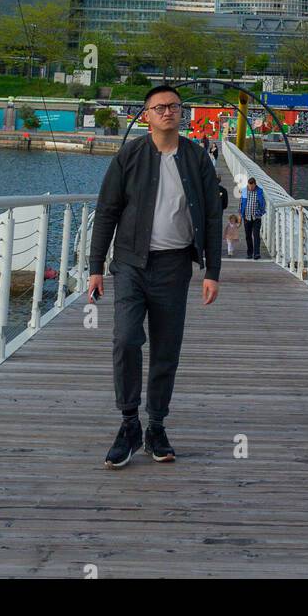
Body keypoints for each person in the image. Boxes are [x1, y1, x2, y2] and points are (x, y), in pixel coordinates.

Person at [88, 84, 222, 468]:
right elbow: (107, 210)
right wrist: (95, 268)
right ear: (146, 115)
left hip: (174, 266)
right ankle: (129, 422)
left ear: (182, 113)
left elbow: (212, 216)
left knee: (166, 349)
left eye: (174, 106)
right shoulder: (129, 155)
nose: (167, 112)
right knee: (126, 339)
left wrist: (212, 270)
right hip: (131, 264)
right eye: (159, 107)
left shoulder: (196, 158)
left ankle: (156, 427)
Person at [240, 176, 266, 260]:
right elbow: (241, 203)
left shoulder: (259, 191)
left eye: (252, 186)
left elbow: (263, 203)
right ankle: (249, 253)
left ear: (255, 184)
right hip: (246, 216)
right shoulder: (244, 190)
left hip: (256, 218)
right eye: (249, 186)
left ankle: (256, 253)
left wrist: (260, 212)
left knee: (256, 235)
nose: (250, 188)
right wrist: (241, 214)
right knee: (248, 236)